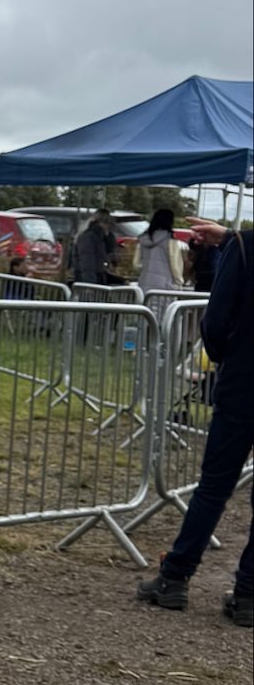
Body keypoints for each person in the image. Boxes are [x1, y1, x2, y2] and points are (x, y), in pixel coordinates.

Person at [137, 226, 253, 627]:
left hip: (243, 383)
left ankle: (175, 577)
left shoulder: (245, 247)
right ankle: (248, 594)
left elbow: (215, 320)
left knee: (214, 487)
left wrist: (226, 357)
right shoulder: (240, 242)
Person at [136, 207, 185, 295]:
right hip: (164, 286)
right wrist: (179, 282)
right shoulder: (171, 241)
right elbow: (175, 266)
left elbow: (136, 264)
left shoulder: (143, 239)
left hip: (144, 283)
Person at [71, 206, 121, 288]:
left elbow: (109, 252)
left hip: (96, 278)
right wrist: (90, 284)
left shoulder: (100, 237)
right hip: (88, 279)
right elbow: (87, 262)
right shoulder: (89, 237)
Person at [187, 220, 228, 294]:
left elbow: (214, 268)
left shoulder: (215, 251)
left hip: (208, 283)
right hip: (203, 282)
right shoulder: (203, 249)